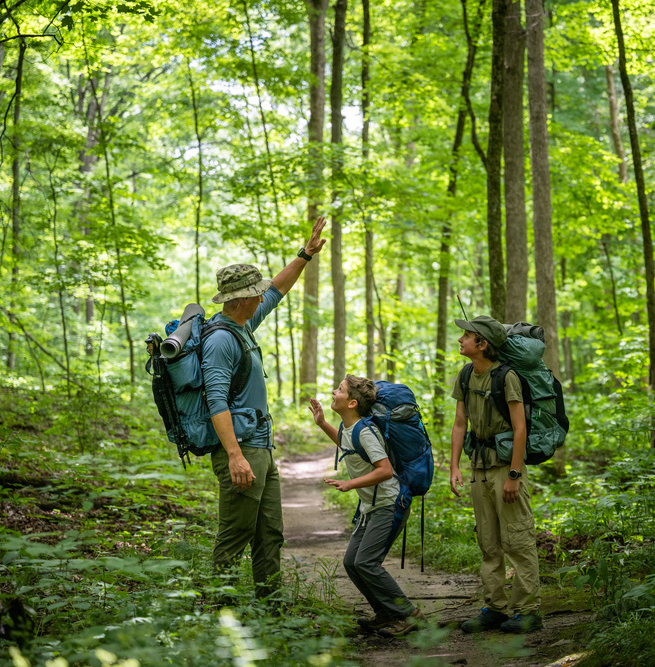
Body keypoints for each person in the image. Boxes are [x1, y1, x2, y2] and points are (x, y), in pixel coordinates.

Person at [202, 216, 326, 602]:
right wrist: (235, 456)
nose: (263, 295)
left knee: (269, 532)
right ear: (240, 300)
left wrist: (304, 255)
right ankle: (218, 614)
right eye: (255, 292)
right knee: (235, 533)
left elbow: (277, 288)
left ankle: (270, 611)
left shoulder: (243, 322)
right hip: (242, 450)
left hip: (261, 448)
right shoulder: (221, 340)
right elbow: (215, 401)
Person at [308, 375, 426, 637]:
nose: (333, 391)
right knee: (352, 563)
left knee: (367, 563)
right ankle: (385, 612)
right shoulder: (352, 428)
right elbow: (347, 445)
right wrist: (322, 423)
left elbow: (384, 470)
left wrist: (350, 484)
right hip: (370, 507)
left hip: (388, 504)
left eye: (339, 389)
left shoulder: (366, 431)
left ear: (351, 403)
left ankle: (410, 614)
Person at [449, 315, 543, 634]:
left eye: (467, 336)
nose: (460, 340)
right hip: (478, 467)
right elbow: (460, 423)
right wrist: (453, 467)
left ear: (483, 344)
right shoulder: (465, 375)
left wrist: (515, 475)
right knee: (488, 541)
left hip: (505, 467)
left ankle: (528, 610)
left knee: (516, 538)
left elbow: (520, 428)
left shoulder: (507, 377)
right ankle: (494, 607)